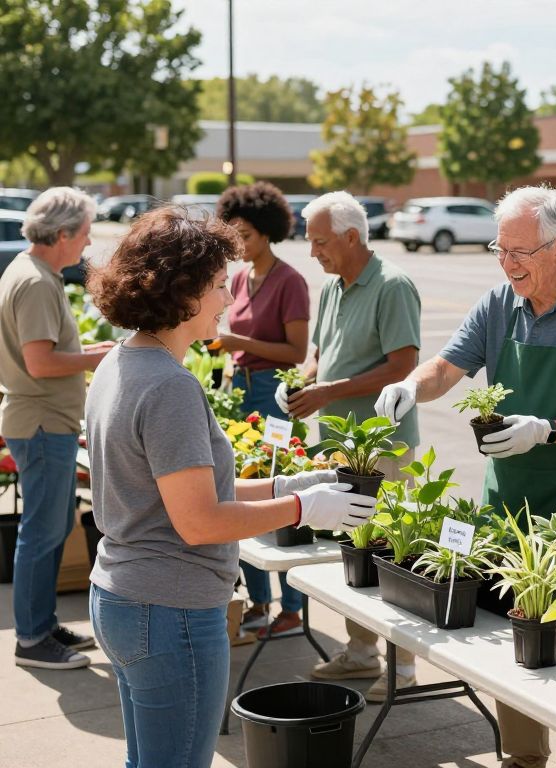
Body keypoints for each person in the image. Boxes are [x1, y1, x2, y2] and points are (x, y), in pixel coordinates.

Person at [85, 207, 374, 768]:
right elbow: (199, 522)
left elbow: (180, 491)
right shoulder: (169, 387)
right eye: (220, 286)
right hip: (169, 609)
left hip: (122, 596)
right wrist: (300, 507)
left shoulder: (122, 363)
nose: (229, 300)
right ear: (183, 292)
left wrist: (289, 482)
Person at [376, 185, 556, 768]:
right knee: (517, 640)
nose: (509, 263)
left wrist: (545, 429)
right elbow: (447, 367)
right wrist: (408, 388)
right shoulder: (499, 304)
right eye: (501, 250)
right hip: (510, 506)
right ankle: (522, 757)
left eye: (521, 251)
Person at [273, 191, 422, 702]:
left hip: (383, 448)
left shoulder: (393, 286)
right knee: (351, 553)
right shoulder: (336, 287)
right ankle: (361, 654)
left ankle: (403, 669)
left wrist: (326, 392)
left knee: (390, 557)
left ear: (352, 236)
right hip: (339, 444)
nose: (312, 251)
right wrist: (298, 380)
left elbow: (402, 367)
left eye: (319, 241)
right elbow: (319, 355)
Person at [0, 187, 114, 670]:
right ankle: (31, 639)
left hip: (44, 421)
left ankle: (41, 625)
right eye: (85, 235)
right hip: (43, 421)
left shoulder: (31, 273)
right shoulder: (38, 282)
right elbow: (41, 363)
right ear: (62, 233)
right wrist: (100, 355)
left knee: (49, 528)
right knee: (42, 532)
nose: (86, 245)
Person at [215, 182, 311, 638]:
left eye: (247, 235)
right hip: (240, 390)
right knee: (238, 495)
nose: (241, 244)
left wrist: (237, 342)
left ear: (269, 232)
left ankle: (292, 609)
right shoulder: (237, 279)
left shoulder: (290, 280)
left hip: (273, 394)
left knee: (274, 490)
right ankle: (258, 601)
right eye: (235, 235)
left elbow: (295, 352)